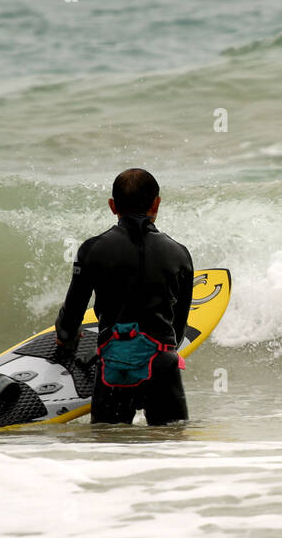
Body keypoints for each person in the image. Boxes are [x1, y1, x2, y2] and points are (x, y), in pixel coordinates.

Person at [53, 168, 194, 425]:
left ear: (112, 206)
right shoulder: (179, 253)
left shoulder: (91, 250)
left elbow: (73, 311)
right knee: (173, 446)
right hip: (162, 365)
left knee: (110, 449)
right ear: (156, 204)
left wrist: (65, 338)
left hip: (114, 366)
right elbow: (179, 327)